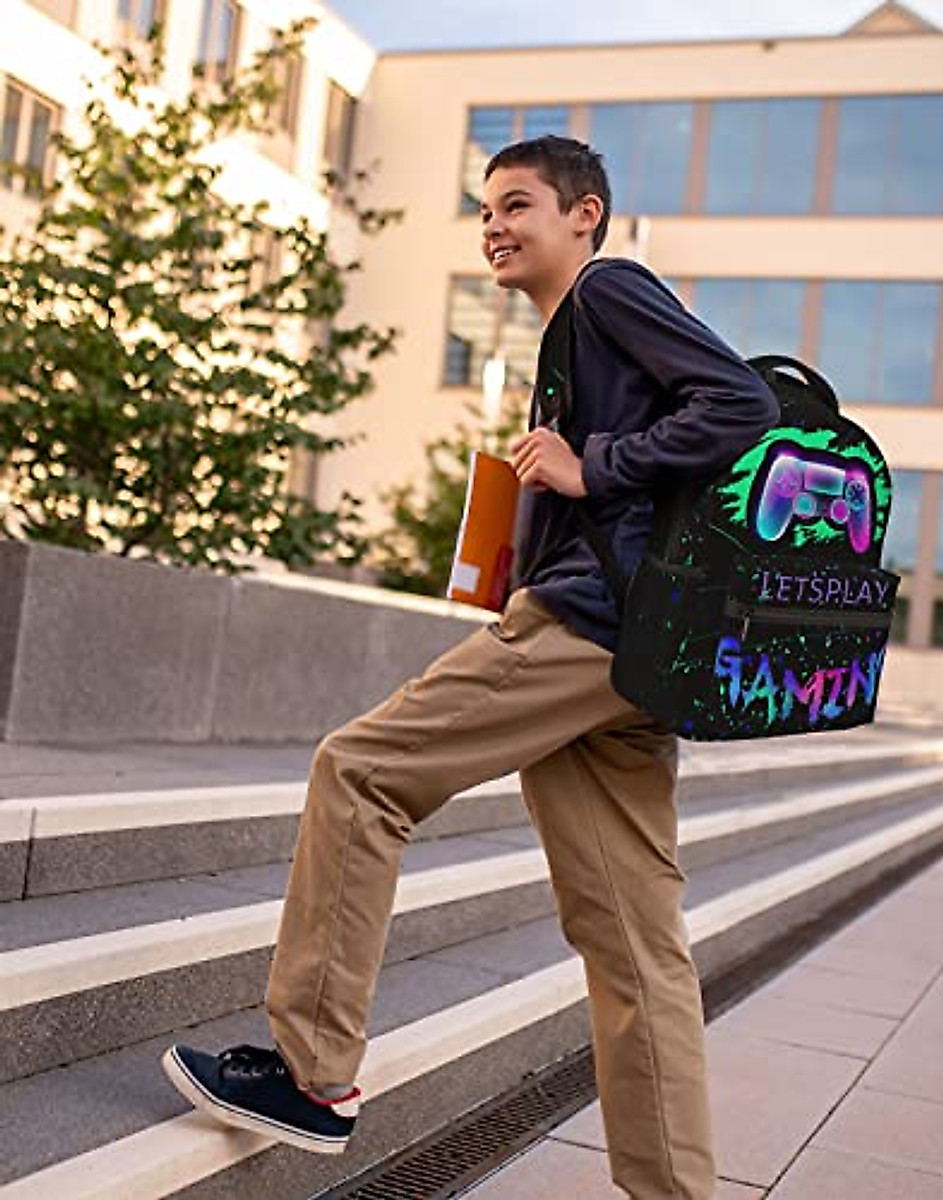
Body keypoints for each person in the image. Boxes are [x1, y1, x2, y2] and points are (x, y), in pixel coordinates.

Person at [163, 135, 778, 1199]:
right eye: (485, 210)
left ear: (584, 215)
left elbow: (741, 403)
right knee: (634, 941)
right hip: (633, 652)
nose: (495, 225)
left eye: (518, 204)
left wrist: (596, 465)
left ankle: (313, 1075)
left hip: (587, 629)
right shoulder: (570, 338)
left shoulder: (608, 291)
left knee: (361, 774)